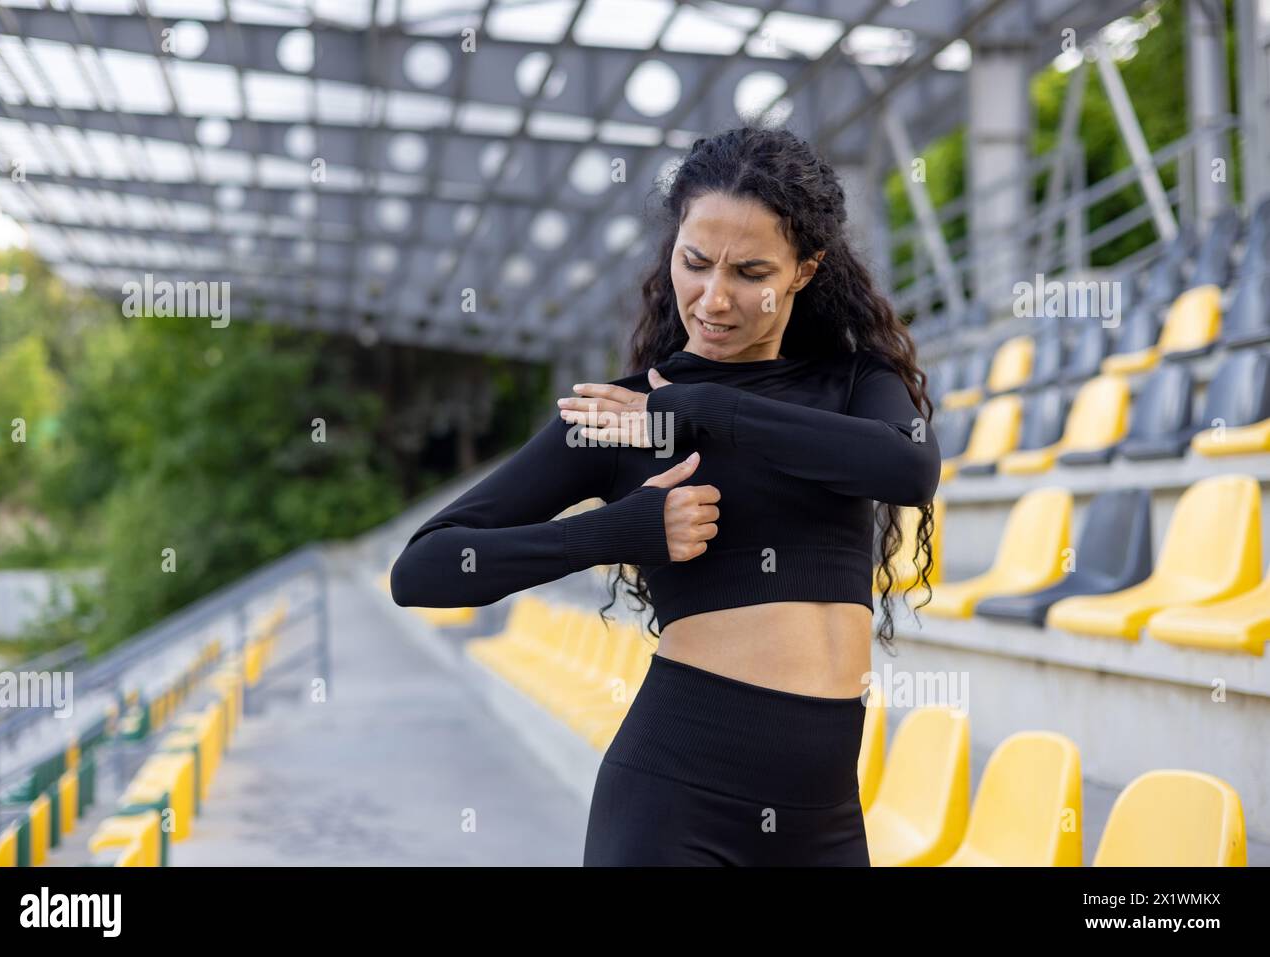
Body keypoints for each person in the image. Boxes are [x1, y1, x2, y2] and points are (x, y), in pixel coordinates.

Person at [391, 124, 940, 866]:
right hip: (675, 805)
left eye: (750, 271)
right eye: (695, 262)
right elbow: (423, 569)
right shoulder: (617, 416)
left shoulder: (850, 383)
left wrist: (703, 409)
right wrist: (616, 532)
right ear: (673, 248)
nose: (713, 299)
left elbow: (908, 469)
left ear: (805, 268)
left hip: (826, 822)